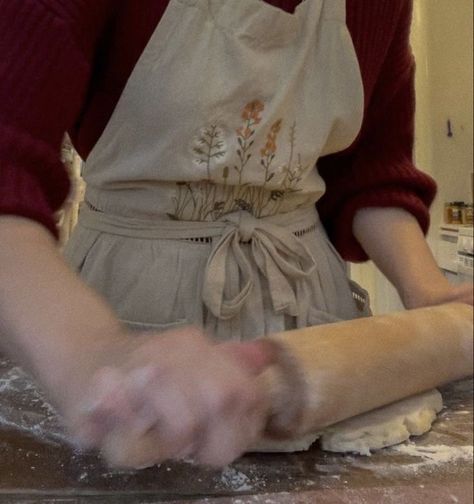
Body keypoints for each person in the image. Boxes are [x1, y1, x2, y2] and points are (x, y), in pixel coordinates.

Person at [0, 0, 472, 469]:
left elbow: (371, 168)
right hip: (128, 309)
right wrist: (98, 357)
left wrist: (428, 293)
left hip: (313, 314)